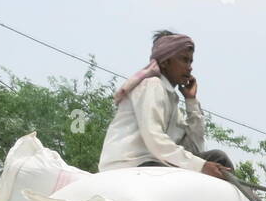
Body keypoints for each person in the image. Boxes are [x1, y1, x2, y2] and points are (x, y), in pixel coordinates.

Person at [98, 30, 234, 177]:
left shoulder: (172, 100)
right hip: (131, 164)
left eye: (190, 61)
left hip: (155, 162)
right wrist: (200, 166)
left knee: (218, 159)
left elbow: (195, 148)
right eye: (184, 60)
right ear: (165, 61)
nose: (190, 67)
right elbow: (154, 139)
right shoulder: (151, 85)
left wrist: (191, 102)